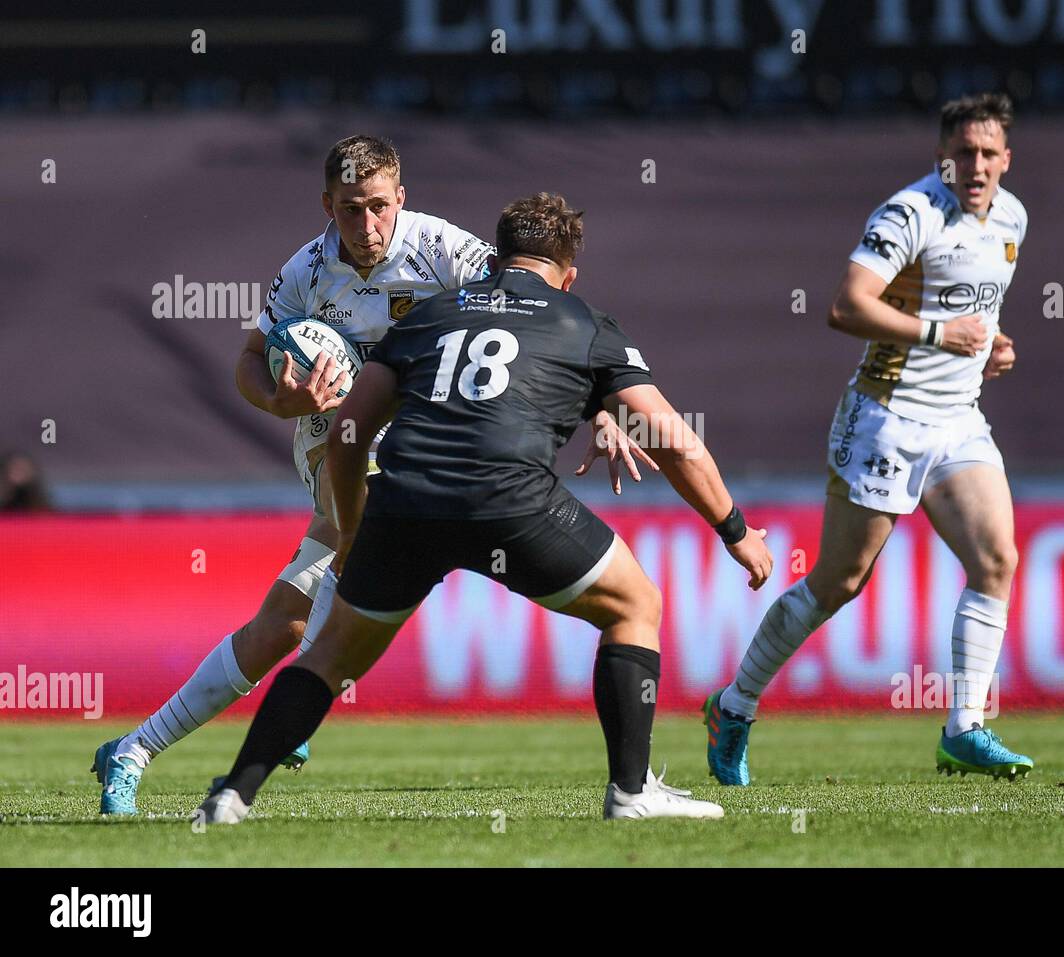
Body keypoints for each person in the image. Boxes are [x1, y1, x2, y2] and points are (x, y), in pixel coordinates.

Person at [93, 138, 648, 815]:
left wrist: (603, 409)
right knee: (357, 517)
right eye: (351, 210)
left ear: (401, 200)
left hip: (420, 434)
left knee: (285, 625)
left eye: (379, 207)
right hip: (335, 435)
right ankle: (298, 695)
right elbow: (248, 358)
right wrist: (280, 400)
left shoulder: (448, 252)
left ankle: (135, 747)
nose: (366, 226)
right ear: (327, 205)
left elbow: (531, 319)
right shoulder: (305, 270)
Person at [196, 192, 773, 824]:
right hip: (510, 500)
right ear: (567, 274)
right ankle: (632, 794)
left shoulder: (427, 315)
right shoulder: (583, 322)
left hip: (406, 500)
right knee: (636, 606)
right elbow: (673, 440)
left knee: (329, 654)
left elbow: (348, 432)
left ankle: (232, 795)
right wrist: (734, 529)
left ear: (495, 258)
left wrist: (356, 528)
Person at [704, 93, 1033, 785]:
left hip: (958, 420)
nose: (973, 165)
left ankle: (964, 728)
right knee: (840, 580)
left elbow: (969, 308)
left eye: (986, 153)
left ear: (1007, 159)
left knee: (997, 556)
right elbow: (846, 305)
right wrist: (945, 336)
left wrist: (989, 348)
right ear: (941, 157)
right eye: (962, 152)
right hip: (886, 416)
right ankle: (733, 707)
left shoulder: (1012, 218)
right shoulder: (911, 212)